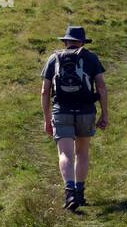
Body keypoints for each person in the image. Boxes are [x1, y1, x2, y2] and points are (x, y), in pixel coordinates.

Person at [40, 25, 108, 210]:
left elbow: (45, 90)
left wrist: (47, 119)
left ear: (65, 41)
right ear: (83, 42)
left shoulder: (54, 59)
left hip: (61, 111)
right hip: (86, 111)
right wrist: (104, 113)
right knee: (82, 152)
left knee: (65, 154)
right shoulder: (91, 58)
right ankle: (80, 192)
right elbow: (101, 87)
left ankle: (69, 193)